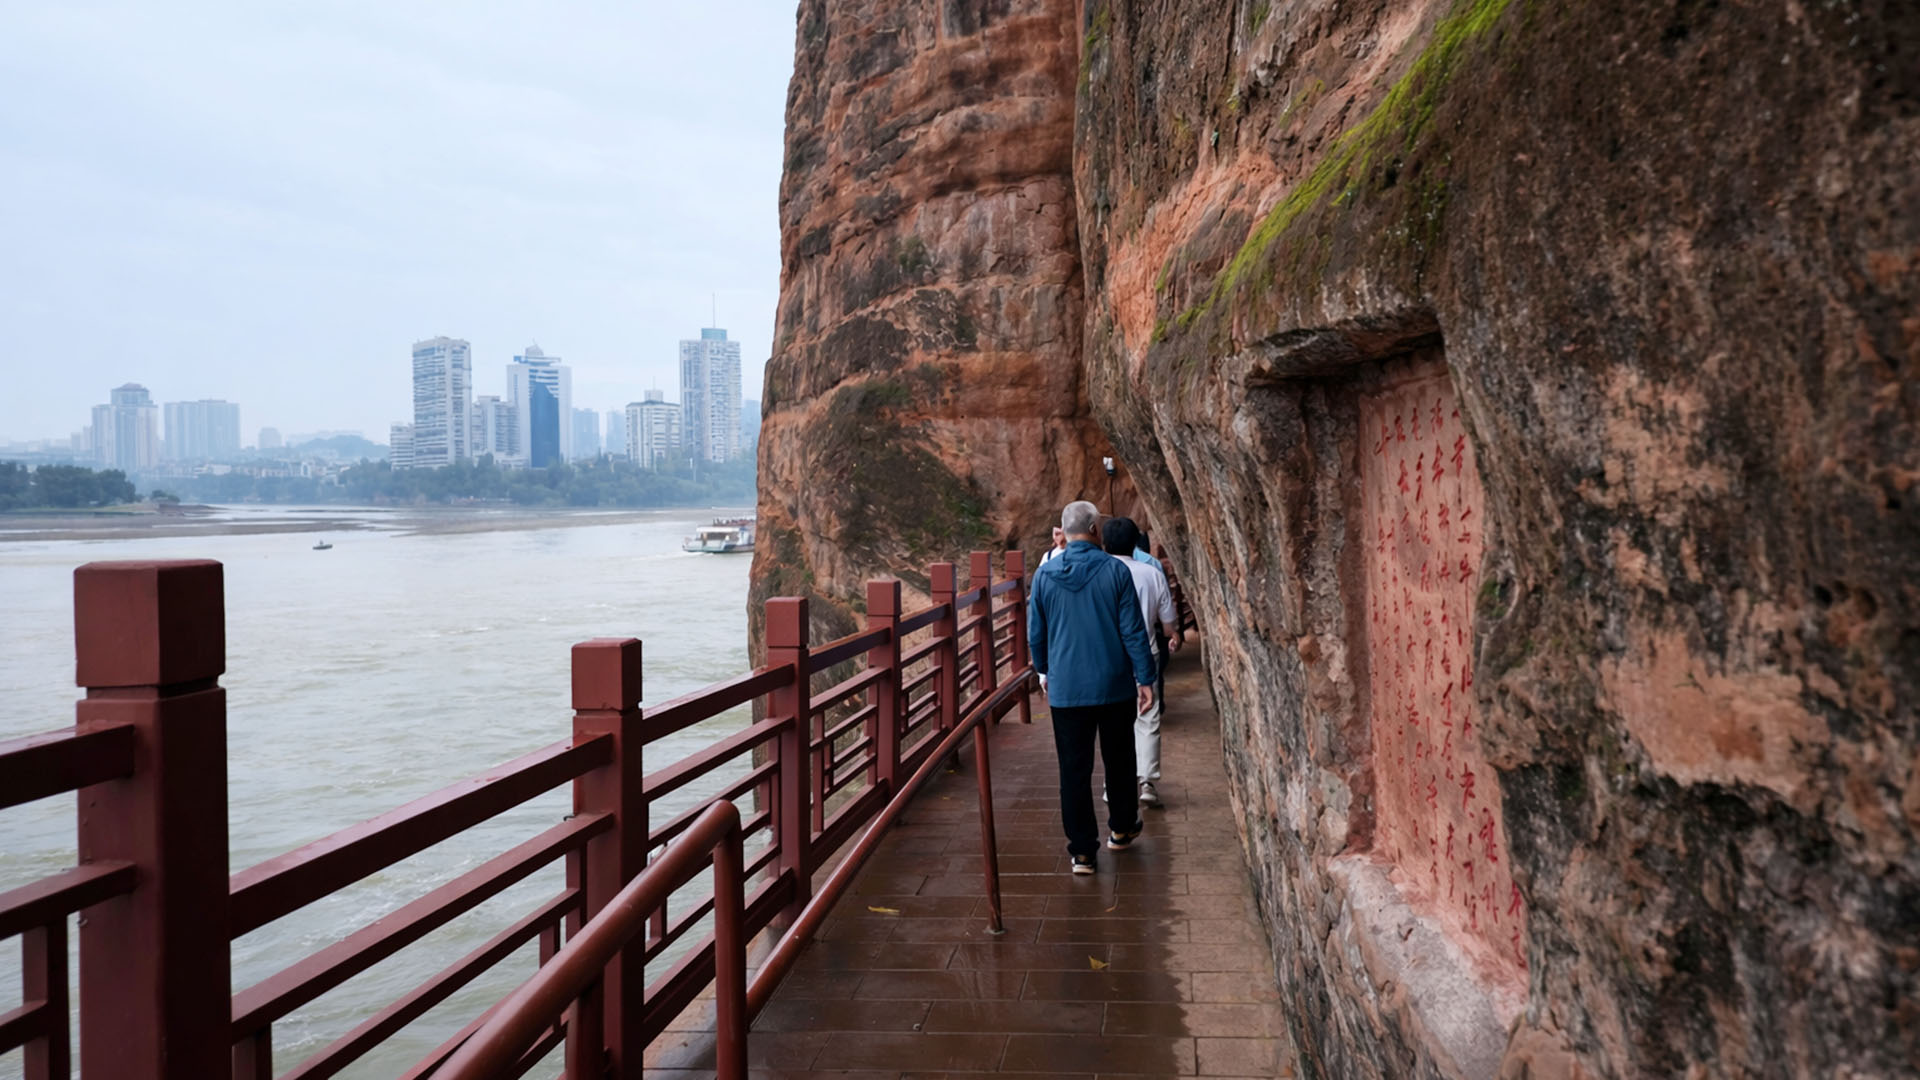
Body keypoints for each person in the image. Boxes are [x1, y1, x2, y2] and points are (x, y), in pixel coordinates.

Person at [1028, 501, 1158, 874]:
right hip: (1113, 684)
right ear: (1095, 530)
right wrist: (1144, 678)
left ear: (1065, 533)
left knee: (1073, 769)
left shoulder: (1045, 577)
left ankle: (1082, 851)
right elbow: (1133, 632)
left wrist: (1045, 670)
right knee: (1119, 759)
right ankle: (1120, 828)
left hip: (1067, 688)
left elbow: (1036, 634)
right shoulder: (1115, 571)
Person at [1102, 517, 1182, 808]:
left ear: (1104, 543)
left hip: (1110, 657)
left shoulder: (1101, 574)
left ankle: (1114, 784)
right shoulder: (1151, 572)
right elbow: (1168, 618)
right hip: (1147, 652)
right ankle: (1146, 782)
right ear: (1136, 541)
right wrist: (1173, 635)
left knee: (1113, 721)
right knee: (1147, 718)